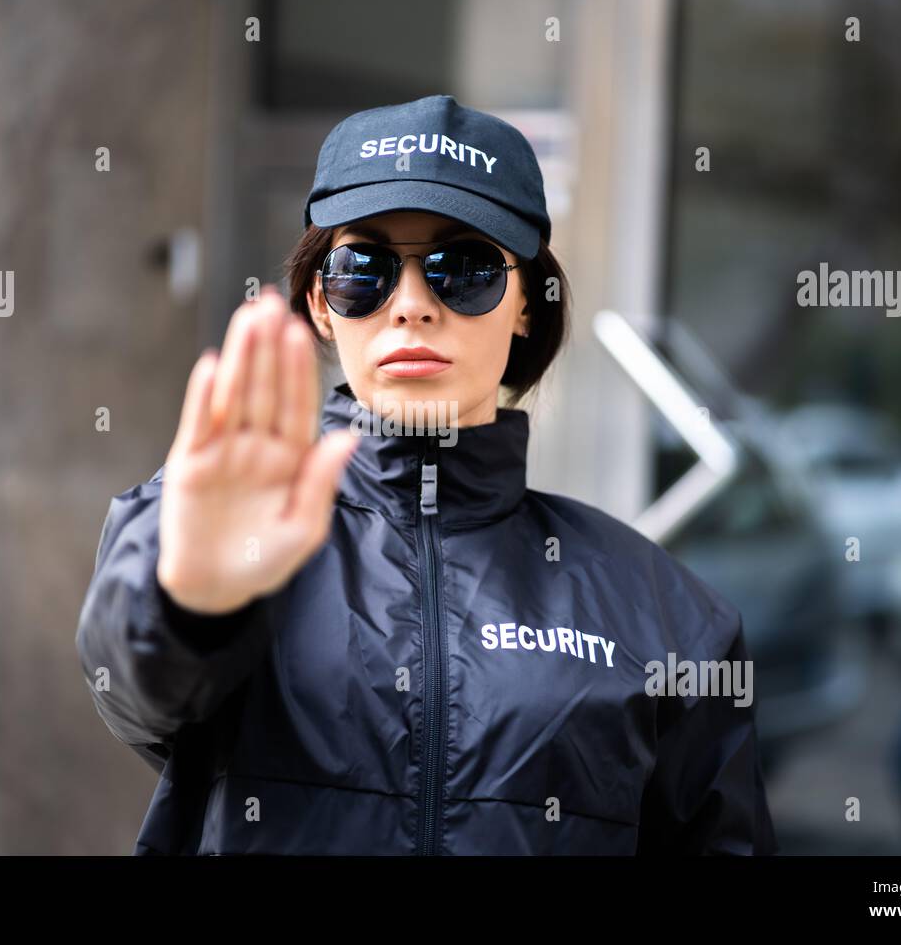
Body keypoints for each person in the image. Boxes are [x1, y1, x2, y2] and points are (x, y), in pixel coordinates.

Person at [75, 94, 779, 855]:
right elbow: (135, 691)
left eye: (463, 268)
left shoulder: (664, 611)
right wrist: (191, 605)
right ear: (319, 302)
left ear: (526, 306)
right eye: (363, 270)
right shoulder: (209, 527)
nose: (410, 306)